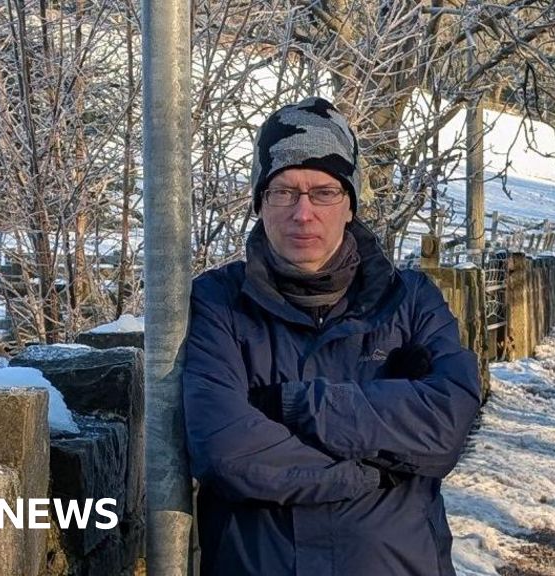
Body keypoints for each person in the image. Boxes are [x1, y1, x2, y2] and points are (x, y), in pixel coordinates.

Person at [183, 96, 482, 576]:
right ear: (260, 203)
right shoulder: (218, 303)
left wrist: (298, 406)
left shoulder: (410, 300)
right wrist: (375, 468)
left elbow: (447, 421)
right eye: (284, 191)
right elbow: (226, 450)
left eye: (323, 192)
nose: (304, 213)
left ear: (350, 206)